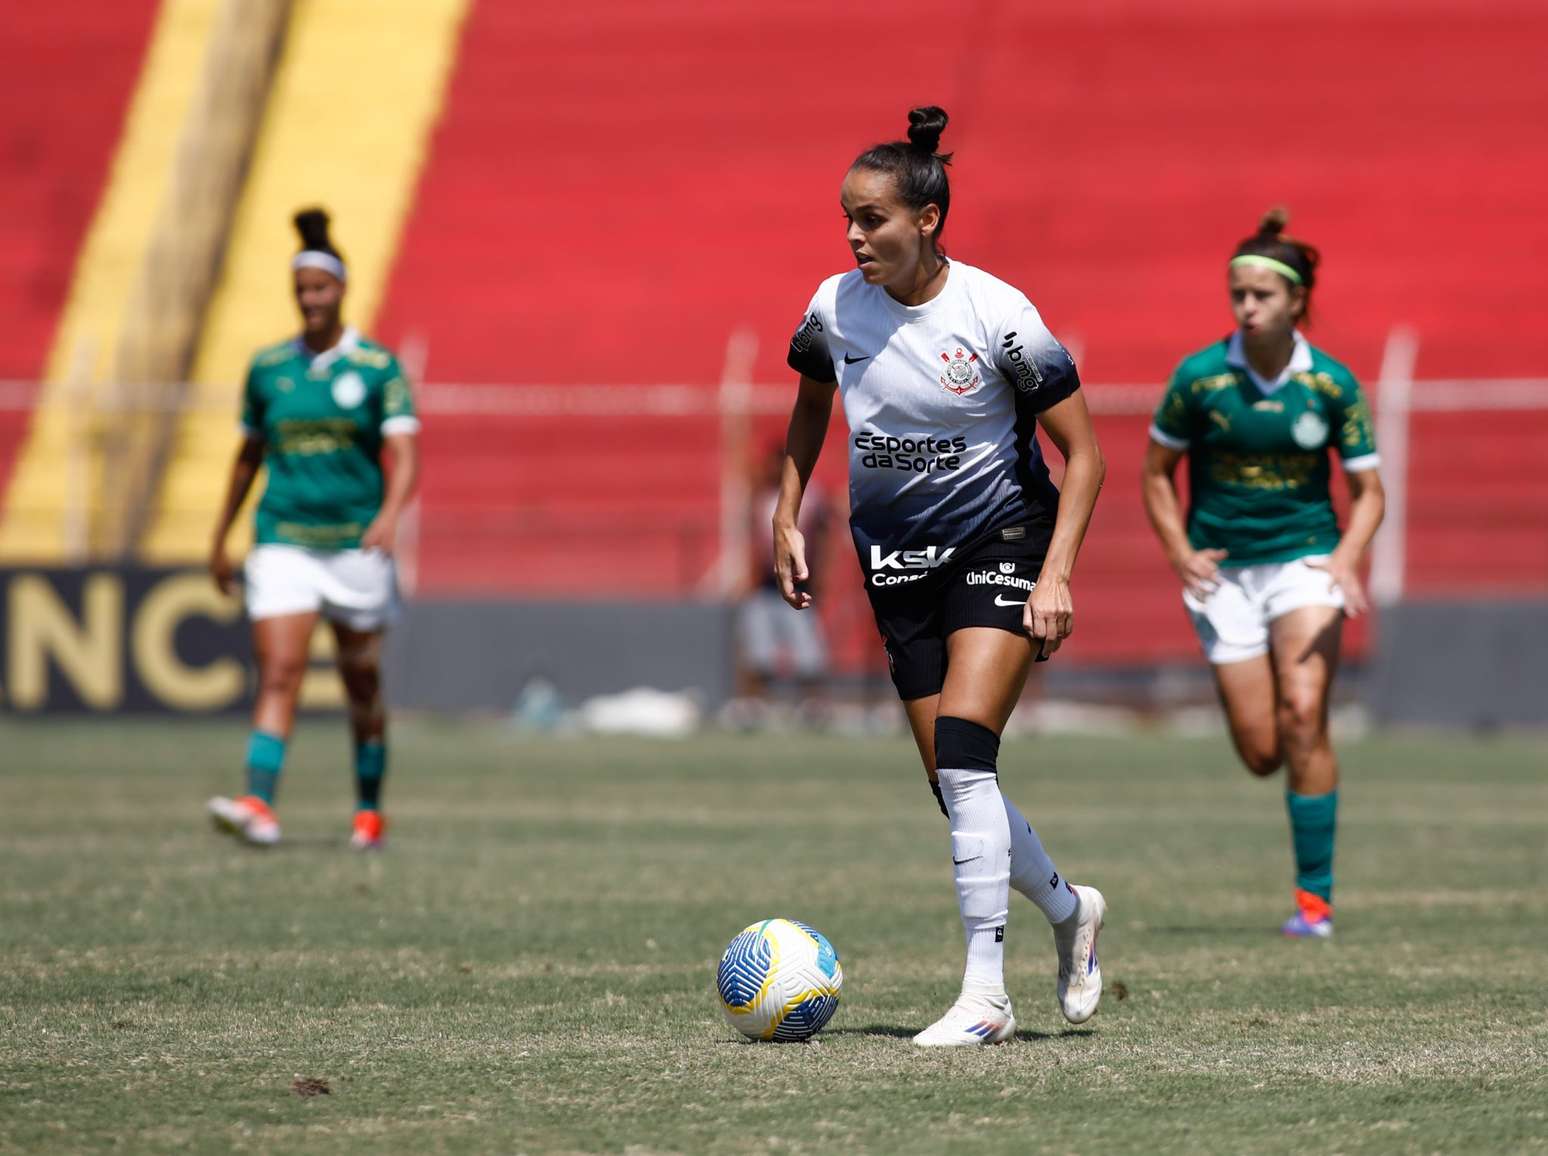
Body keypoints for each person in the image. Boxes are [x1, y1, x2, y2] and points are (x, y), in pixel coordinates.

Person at [776, 107, 1107, 1046]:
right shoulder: (833, 307)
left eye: (871, 219)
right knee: (956, 787)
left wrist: (1055, 576)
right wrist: (785, 513)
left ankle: (985, 999)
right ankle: (1071, 910)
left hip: (1003, 540)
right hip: (896, 562)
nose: (853, 236)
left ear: (926, 219)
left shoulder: (1000, 316)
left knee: (965, 754)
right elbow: (809, 408)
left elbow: (1086, 455)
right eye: (847, 219)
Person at [1141, 208, 1385, 938]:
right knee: (1262, 752)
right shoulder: (1200, 378)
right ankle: (1283, 751)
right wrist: (1180, 551)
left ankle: (1315, 904)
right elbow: (1155, 474)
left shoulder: (1331, 384)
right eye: (1238, 295)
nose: (1247, 307)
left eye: (1262, 295)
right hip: (1224, 575)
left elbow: (1370, 492)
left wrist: (1345, 558)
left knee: (1305, 715)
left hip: (1305, 561)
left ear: (1296, 300)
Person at [206, 208, 420, 850]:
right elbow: (247, 458)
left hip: (356, 545)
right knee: (280, 672)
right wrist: (220, 537)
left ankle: (369, 812)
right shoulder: (268, 368)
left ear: (342, 289)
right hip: (284, 540)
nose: (310, 300)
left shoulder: (377, 367)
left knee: (361, 683)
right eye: (301, 289)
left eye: (320, 288)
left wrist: (390, 515)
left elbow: (406, 454)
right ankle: (258, 806)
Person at [733, 442, 831, 725]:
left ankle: (813, 704)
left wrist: (821, 575)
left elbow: (823, 537)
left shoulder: (810, 497)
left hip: (800, 582)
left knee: (807, 652)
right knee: (757, 650)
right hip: (765, 584)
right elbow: (752, 541)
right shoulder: (760, 497)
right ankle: (754, 705)